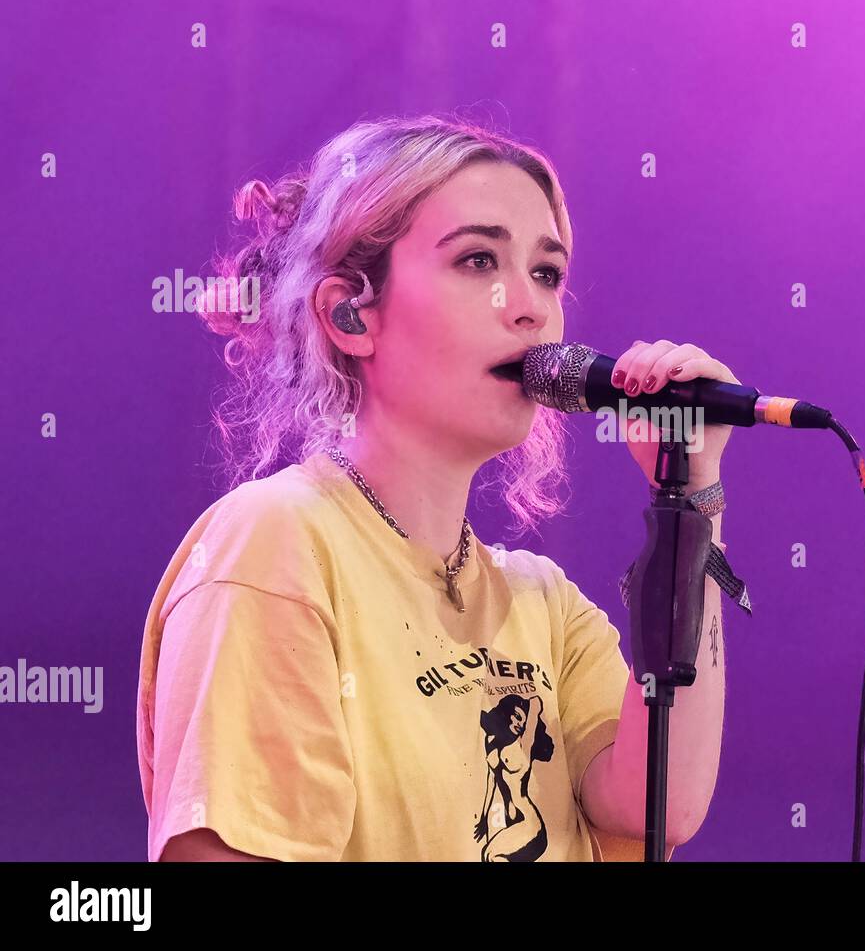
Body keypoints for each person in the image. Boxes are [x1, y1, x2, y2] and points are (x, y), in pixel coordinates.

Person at [135, 115, 740, 862]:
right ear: (350, 315)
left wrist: (694, 490)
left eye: (547, 273)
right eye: (479, 261)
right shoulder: (280, 541)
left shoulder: (541, 603)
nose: (529, 307)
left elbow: (664, 805)